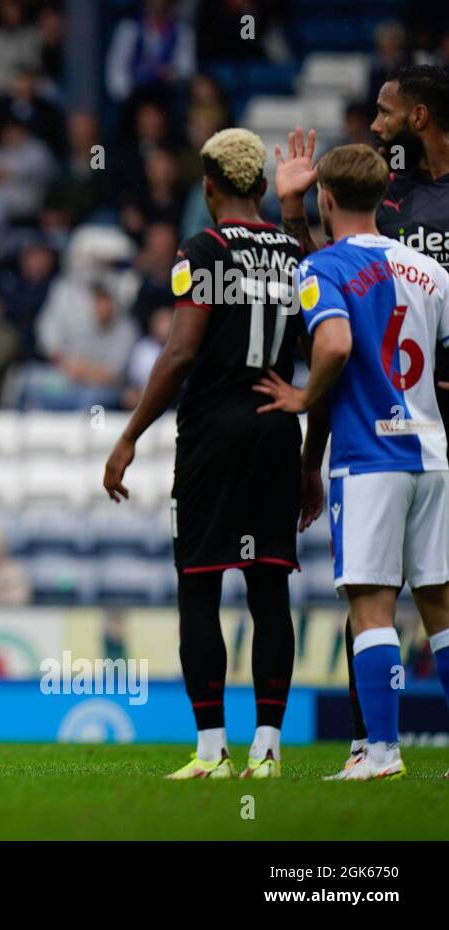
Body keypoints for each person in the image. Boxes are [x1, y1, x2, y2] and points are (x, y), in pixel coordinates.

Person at [104, 129, 308, 779]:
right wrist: (311, 452)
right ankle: (269, 748)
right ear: (259, 186)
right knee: (268, 588)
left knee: (199, 587)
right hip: (279, 425)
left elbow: (181, 351)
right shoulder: (296, 251)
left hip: (215, 434)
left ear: (210, 186)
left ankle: (211, 749)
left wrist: (131, 432)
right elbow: (329, 340)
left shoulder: (204, 248)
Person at [275, 63, 449, 775]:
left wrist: (301, 397)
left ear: (324, 194)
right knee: (441, 609)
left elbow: (338, 338)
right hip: (433, 451)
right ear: (386, 195)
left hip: (369, 455)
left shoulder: (327, 270)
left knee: (371, 606)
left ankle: (378, 750)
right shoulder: (432, 272)